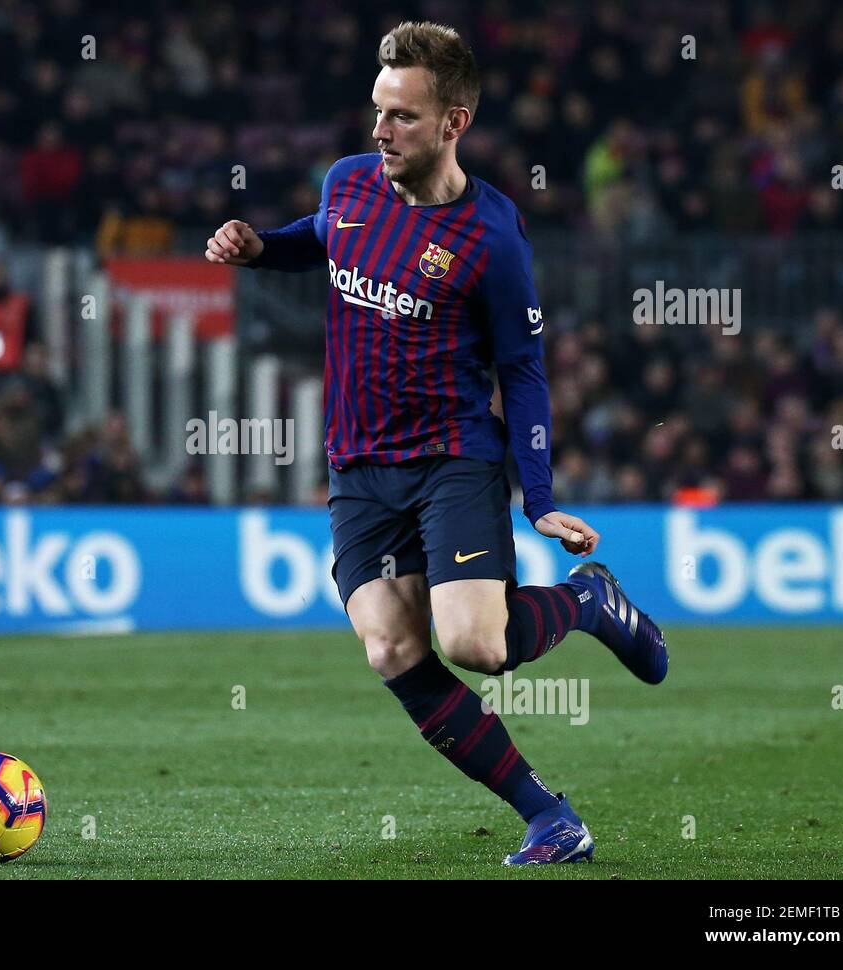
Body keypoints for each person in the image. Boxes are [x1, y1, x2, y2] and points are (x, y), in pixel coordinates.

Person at [204, 21, 668, 865]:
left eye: (403, 118)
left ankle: (590, 602)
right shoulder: (348, 183)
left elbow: (523, 371)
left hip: (454, 459)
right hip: (356, 466)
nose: (380, 132)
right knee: (389, 644)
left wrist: (543, 497)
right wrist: (261, 248)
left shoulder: (491, 236)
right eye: (377, 111)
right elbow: (323, 239)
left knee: (476, 646)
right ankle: (548, 815)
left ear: (454, 123)